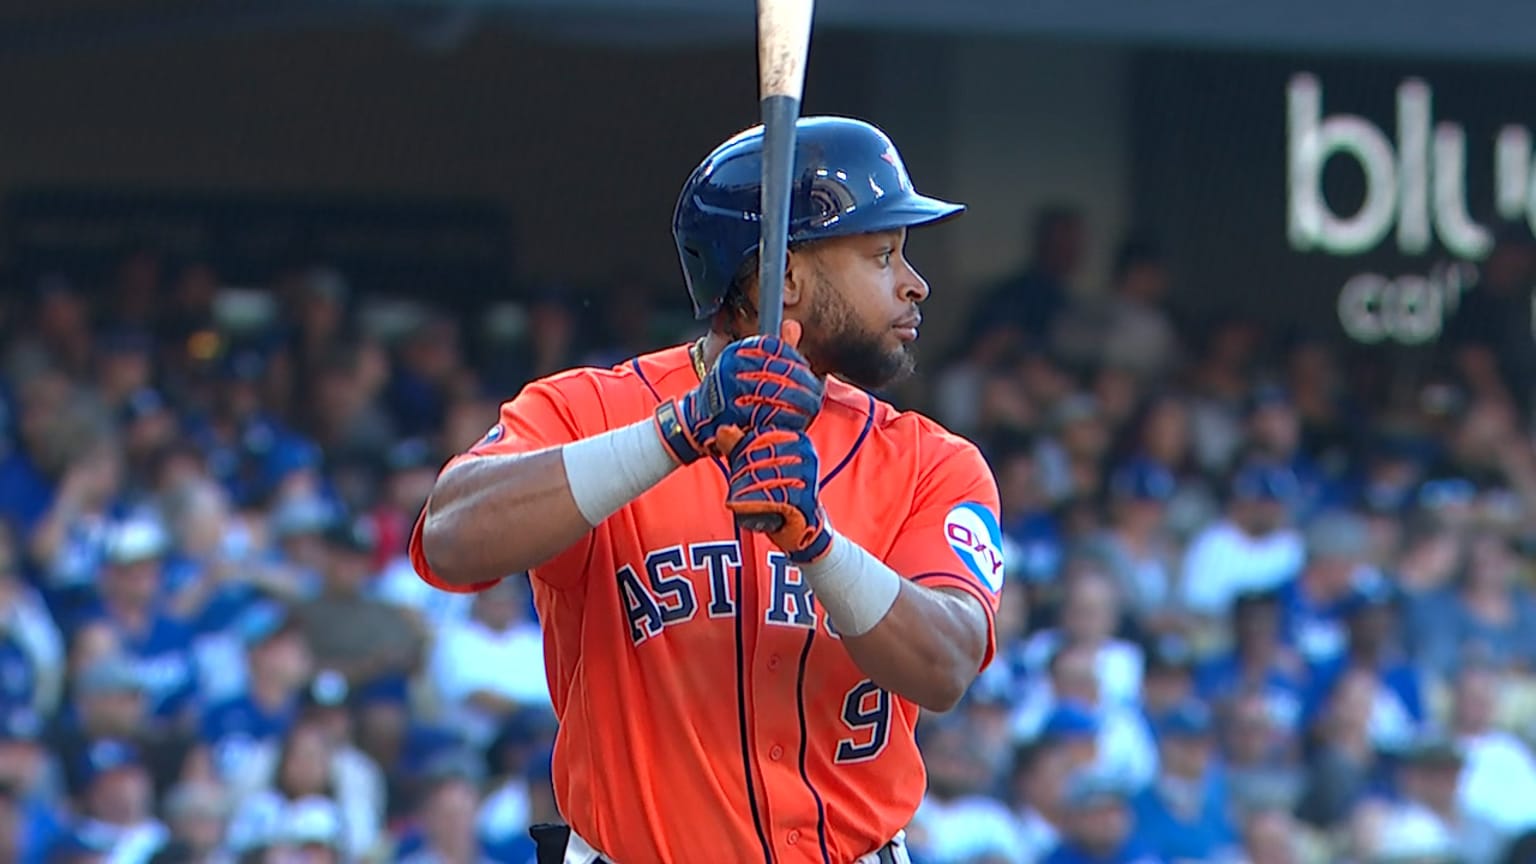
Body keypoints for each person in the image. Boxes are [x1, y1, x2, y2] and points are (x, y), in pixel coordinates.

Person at [411, 116, 1004, 863]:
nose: (915, 283)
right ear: (781, 277)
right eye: (882, 255)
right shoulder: (589, 411)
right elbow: (450, 538)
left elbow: (947, 666)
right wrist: (678, 430)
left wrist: (816, 543)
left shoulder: (929, 460)